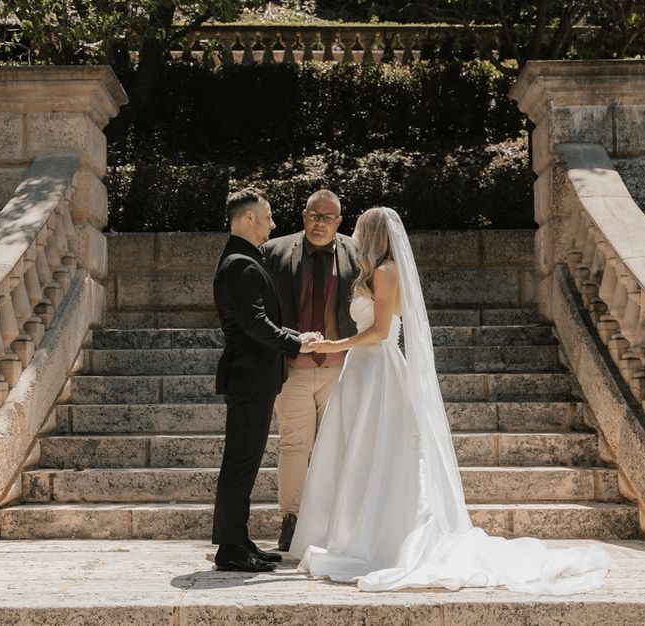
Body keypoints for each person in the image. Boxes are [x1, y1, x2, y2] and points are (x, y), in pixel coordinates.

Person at [288, 207, 611, 593]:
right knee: (357, 451)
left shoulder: (388, 271)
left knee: (381, 452)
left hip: (379, 370)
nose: (354, 235)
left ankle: (383, 538)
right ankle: (350, 529)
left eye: (358, 229)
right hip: (359, 371)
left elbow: (379, 330)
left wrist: (334, 344)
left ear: (371, 233)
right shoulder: (370, 273)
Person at [211, 188, 320, 573]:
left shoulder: (242, 259)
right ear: (249, 218)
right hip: (248, 377)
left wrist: (294, 338)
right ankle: (229, 548)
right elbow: (254, 323)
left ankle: (238, 541)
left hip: (254, 376)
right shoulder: (240, 263)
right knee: (240, 463)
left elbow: (258, 321)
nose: (274, 224)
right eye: (268, 216)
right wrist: (296, 341)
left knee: (246, 461)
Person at [261, 189, 360, 552]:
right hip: (292, 367)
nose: (320, 223)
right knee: (294, 444)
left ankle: (333, 522)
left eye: (328, 217)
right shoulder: (274, 252)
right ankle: (292, 519)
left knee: (336, 446)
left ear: (339, 221)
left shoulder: (356, 252)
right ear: (303, 216)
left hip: (340, 369)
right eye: (314, 216)